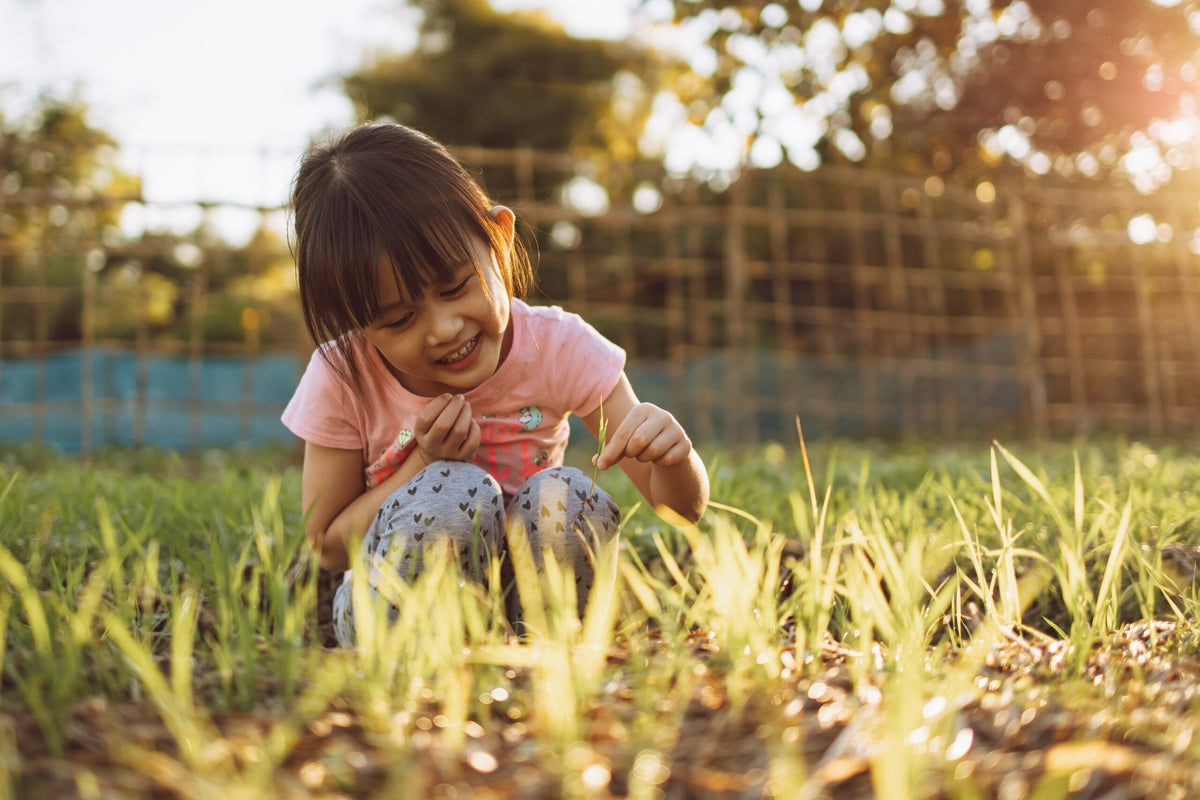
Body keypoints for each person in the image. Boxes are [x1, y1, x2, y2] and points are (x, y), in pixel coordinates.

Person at [281, 122, 709, 646]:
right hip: (396, 617)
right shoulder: (343, 373)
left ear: (499, 239)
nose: (443, 328)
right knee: (453, 492)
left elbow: (679, 510)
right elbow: (326, 546)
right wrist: (422, 464)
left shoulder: (558, 347)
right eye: (397, 321)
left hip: (527, 603)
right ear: (356, 321)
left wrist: (675, 460)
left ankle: (551, 649)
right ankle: (429, 663)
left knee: (568, 494)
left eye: (456, 286)